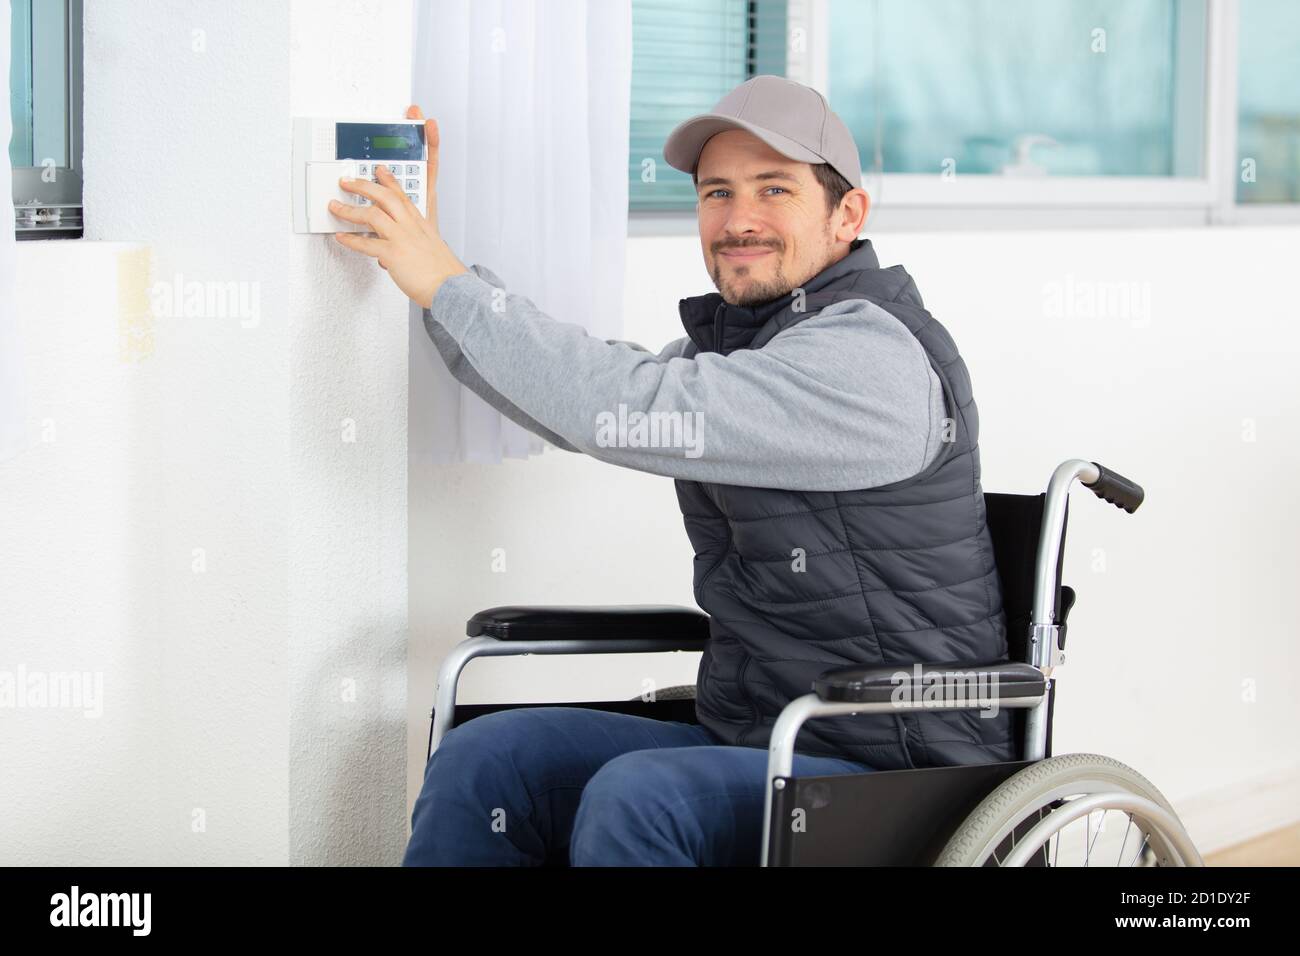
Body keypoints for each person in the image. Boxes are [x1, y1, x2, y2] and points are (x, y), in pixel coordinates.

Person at [330, 75, 1013, 866]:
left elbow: (618, 400)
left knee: (640, 799)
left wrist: (444, 281)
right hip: (758, 730)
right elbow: (580, 403)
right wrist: (436, 268)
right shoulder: (756, 348)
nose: (738, 219)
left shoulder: (871, 358)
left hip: (893, 762)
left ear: (847, 215)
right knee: (491, 758)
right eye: (716, 192)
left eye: (774, 189)